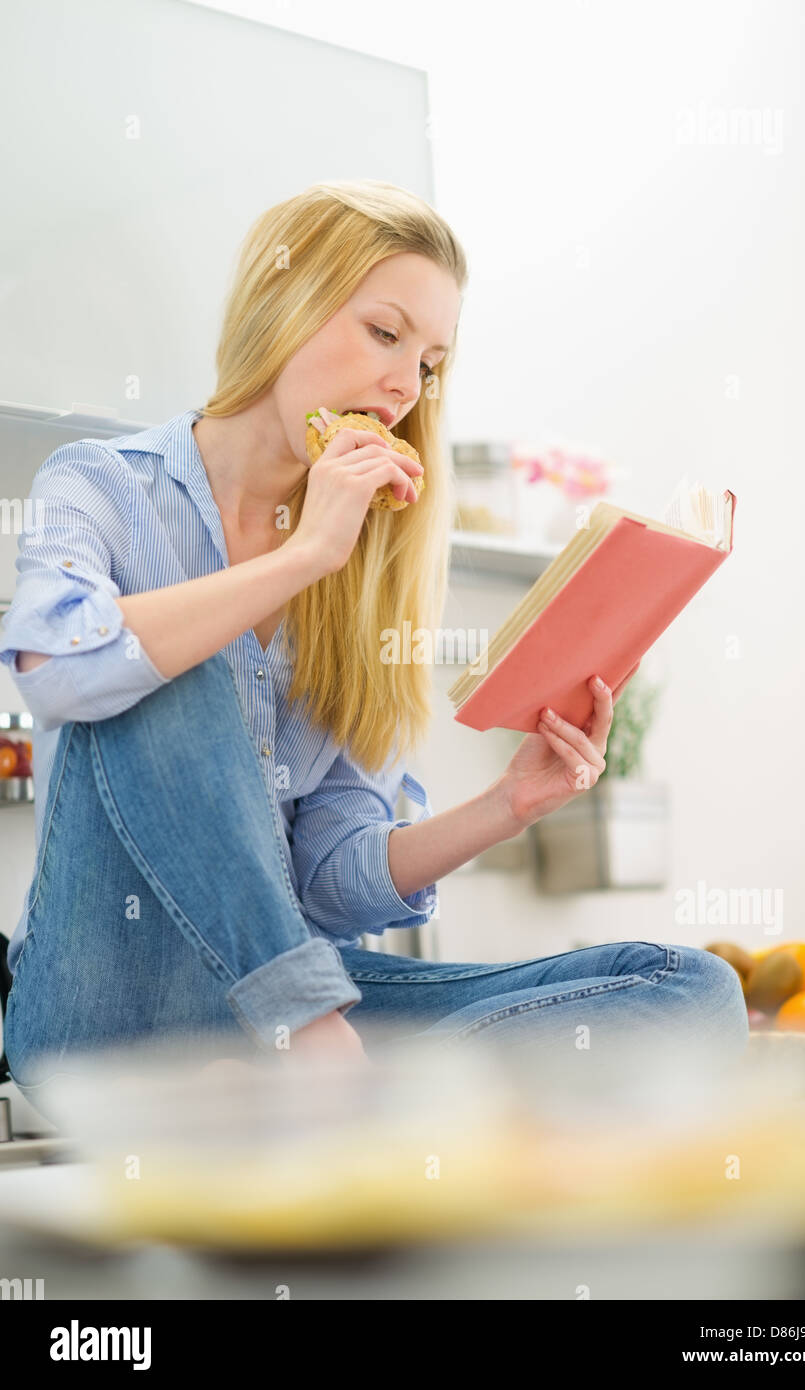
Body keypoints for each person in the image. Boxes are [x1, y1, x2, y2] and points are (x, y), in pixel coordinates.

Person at [0, 180, 748, 1125]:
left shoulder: (367, 574)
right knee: (162, 654)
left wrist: (507, 804)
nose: (406, 386)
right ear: (285, 308)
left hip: (266, 1044)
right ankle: (325, 1050)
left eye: (430, 362)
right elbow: (60, 666)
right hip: (105, 1018)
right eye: (384, 334)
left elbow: (329, 880)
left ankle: (325, 1096)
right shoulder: (102, 484)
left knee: (688, 994)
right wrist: (302, 555)